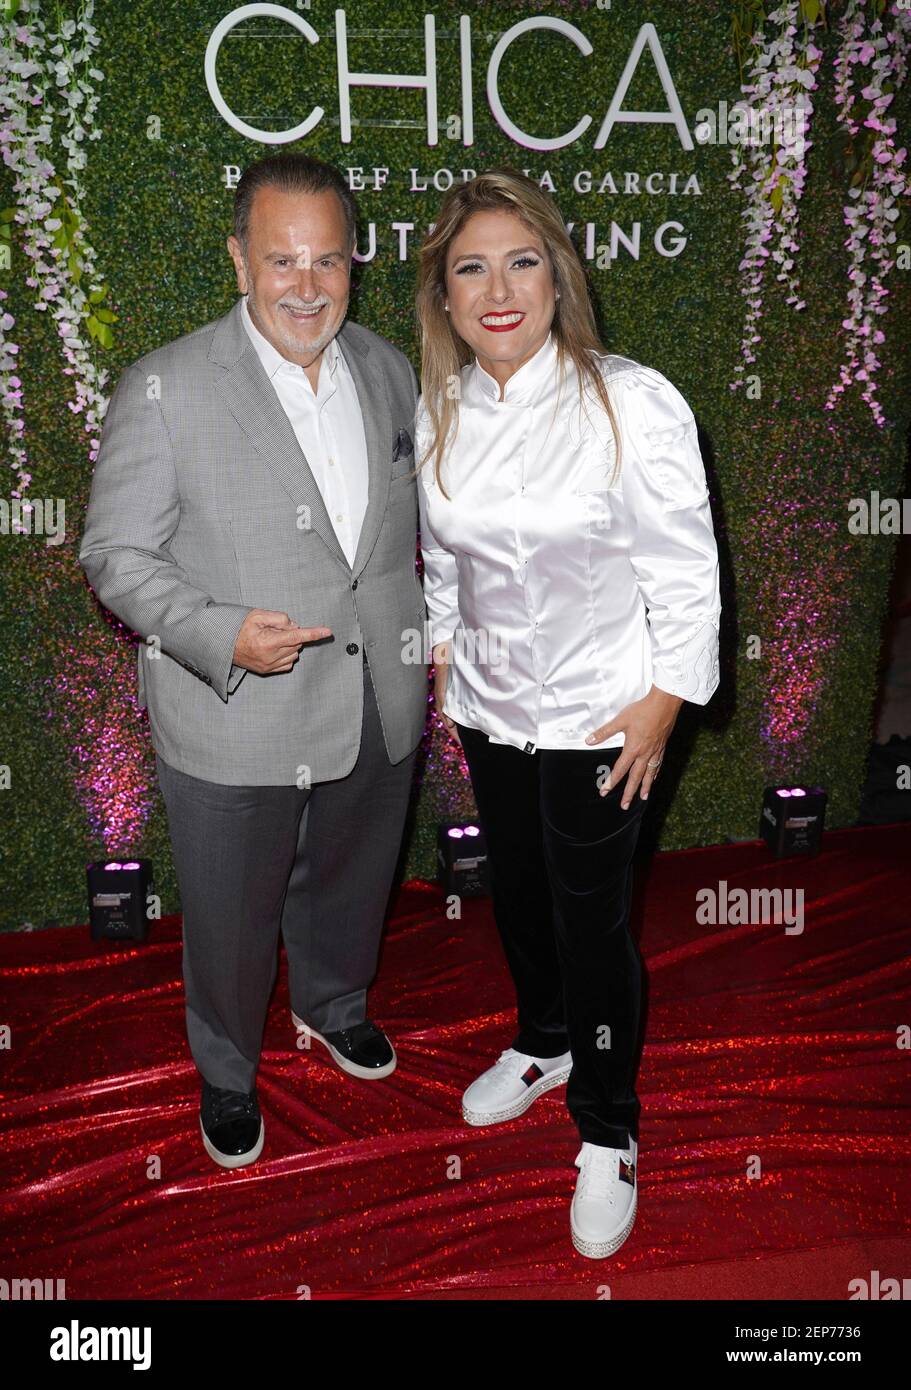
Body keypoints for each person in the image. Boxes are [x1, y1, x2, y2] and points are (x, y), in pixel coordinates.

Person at [80, 153, 427, 1169]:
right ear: (239, 260)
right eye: (282, 260)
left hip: (373, 693)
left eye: (327, 260)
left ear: (353, 264)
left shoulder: (387, 368)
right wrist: (214, 631)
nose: (306, 286)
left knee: (354, 878)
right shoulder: (164, 384)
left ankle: (332, 1004)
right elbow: (114, 553)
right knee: (231, 912)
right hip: (232, 707)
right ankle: (227, 1069)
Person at [414, 169, 721, 1258]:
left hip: (601, 713)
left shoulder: (628, 398)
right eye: (470, 268)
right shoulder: (439, 404)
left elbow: (685, 571)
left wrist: (662, 703)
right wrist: (445, 648)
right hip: (493, 708)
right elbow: (444, 557)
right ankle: (541, 1042)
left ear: (557, 276)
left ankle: (608, 1125)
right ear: (442, 296)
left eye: (520, 261)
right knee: (519, 892)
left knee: (592, 920)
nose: (497, 288)